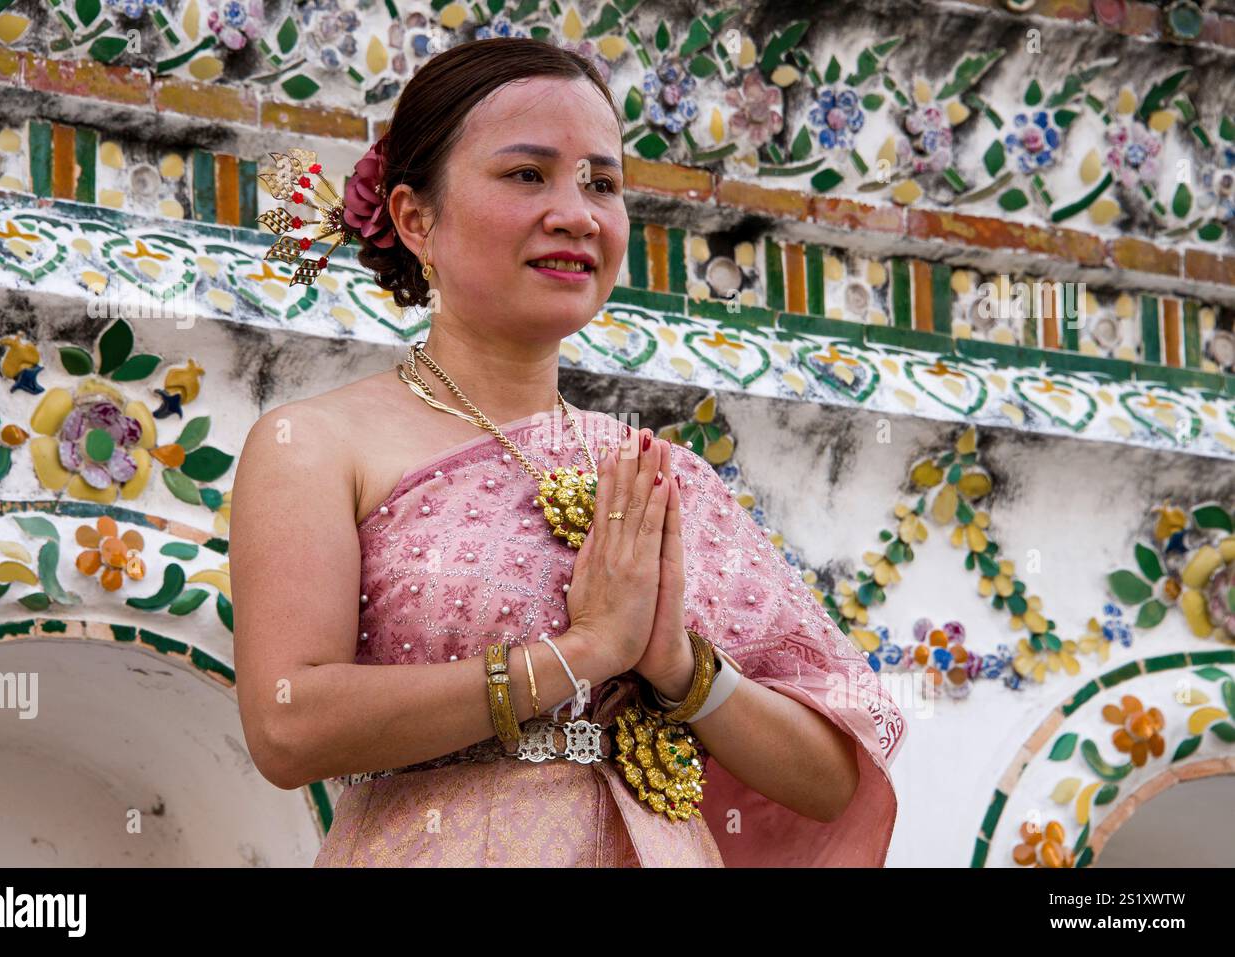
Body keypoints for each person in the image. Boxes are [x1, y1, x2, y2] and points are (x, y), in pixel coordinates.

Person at [230, 36, 907, 867]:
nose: (577, 214)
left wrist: (675, 662)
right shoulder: (319, 446)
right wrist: (580, 654)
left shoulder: (656, 475)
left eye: (603, 183)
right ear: (415, 218)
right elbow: (289, 723)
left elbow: (835, 776)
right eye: (527, 175)